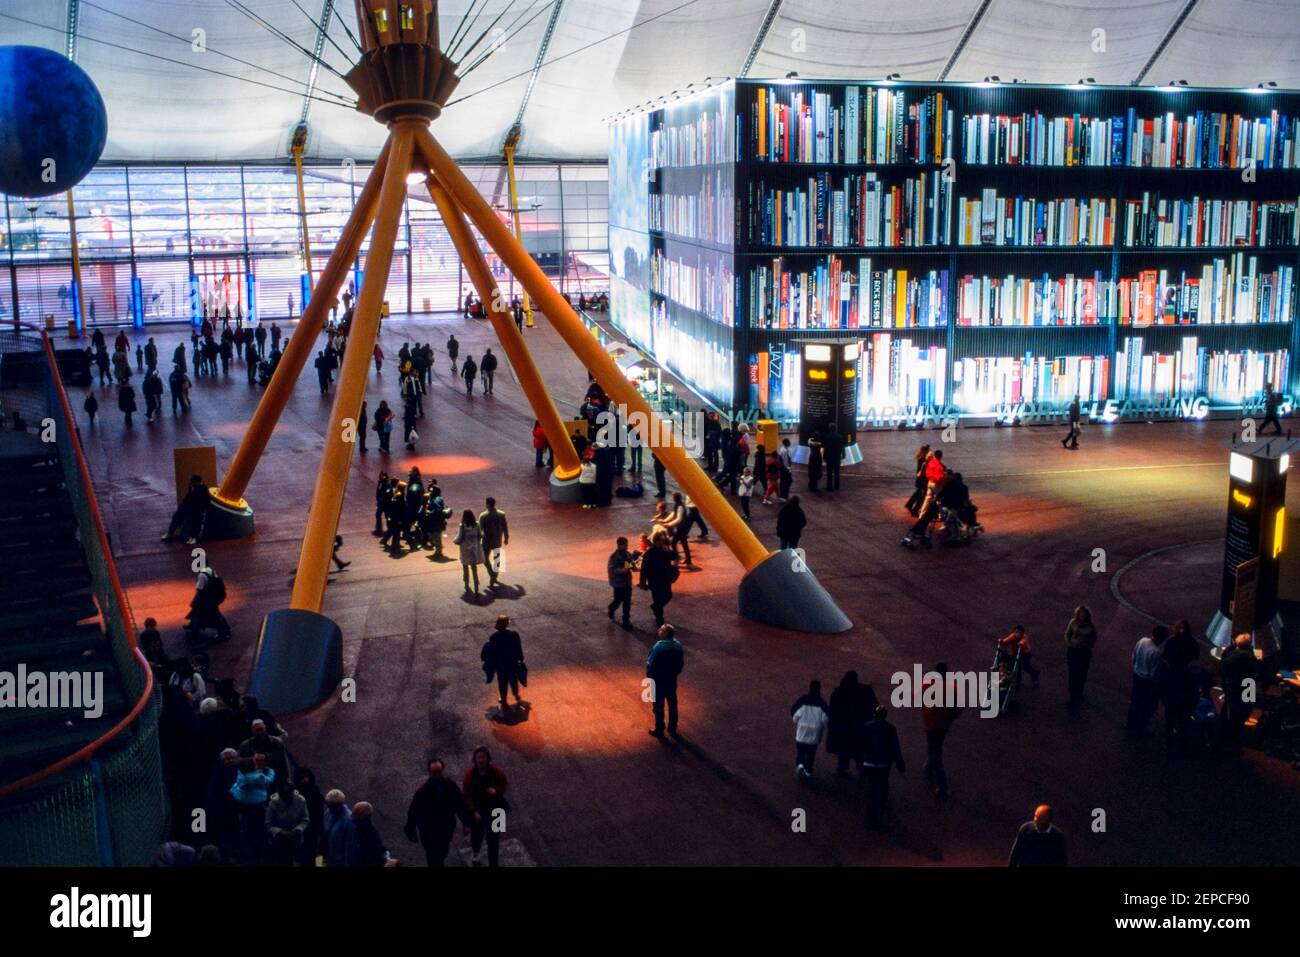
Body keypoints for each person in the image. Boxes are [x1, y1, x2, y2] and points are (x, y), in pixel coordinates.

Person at [404, 758, 471, 867]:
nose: (437, 775)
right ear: (429, 772)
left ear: (442, 770)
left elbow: (460, 805)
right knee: (433, 857)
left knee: (441, 854)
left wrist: (466, 822)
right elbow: (413, 811)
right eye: (434, 772)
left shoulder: (450, 787)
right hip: (428, 830)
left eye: (439, 772)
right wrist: (410, 829)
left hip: (445, 829)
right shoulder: (422, 792)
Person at [463, 747, 509, 867]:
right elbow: (467, 794)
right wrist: (473, 811)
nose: (481, 760)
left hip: (496, 808)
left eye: (483, 757)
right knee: (477, 835)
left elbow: (503, 784)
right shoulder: (470, 774)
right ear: (475, 759)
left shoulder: (496, 771)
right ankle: (476, 852)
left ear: (488, 758)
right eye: (479, 757)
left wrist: (496, 790)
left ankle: (493, 864)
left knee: (494, 839)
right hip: (479, 809)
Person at [860, 705, 905, 829]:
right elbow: (895, 748)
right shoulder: (890, 728)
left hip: (869, 762)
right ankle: (880, 812)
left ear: (875, 715)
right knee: (883, 786)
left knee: (870, 788)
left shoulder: (867, 726)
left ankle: (869, 817)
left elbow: (862, 744)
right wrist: (900, 764)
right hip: (883, 764)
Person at [921, 663, 960, 799]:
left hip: (930, 723)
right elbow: (958, 708)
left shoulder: (927, 685)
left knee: (935, 752)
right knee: (936, 746)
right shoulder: (953, 687)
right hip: (944, 723)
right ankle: (928, 766)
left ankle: (942, 786)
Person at [827, 671, 876, 777]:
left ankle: (842, 769)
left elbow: (832, 711)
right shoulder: (865, 691)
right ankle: (862, 771)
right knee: (859, 751)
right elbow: (875, 706)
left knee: (843, 750)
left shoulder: (839, 692)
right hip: (860, 728)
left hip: (843, 729)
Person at [1161, 618, 1199, 749]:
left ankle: (1171, 734)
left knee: (1172, 709)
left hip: (1174, 678)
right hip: (1180, 678)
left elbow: (1165, 657)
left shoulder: (1172, 642)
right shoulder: (1189, 642)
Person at [1126, 625, 1169, 736]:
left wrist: (1136, 666)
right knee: (1145, 706)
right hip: (1146, 681)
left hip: (1137, 675)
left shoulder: (1143, 640)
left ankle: (1130, 724)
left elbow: (1134, 654)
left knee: (1135, 701)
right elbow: (1154, 674)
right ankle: (1140, 728)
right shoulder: (1156, 653)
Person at [646, 624, 684, 740]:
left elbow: (650, 663)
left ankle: (659, 729)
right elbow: (680, 663)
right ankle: (672, 728)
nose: (658, 631)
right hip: (671, 679)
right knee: (672, 704)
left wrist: (649, 676)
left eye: (661, 630)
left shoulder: (658, 647)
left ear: (666, 633)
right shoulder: (678, 645)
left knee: (658, 705)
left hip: (658, 680)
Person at [1220, 633, 1257, 750]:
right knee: (1244, 713)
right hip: (1248, 687)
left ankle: (1228, 739)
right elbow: (1256, 671)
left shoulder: (1230, 655)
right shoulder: (1250, 657)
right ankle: (1238, 740)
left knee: (1232, 712)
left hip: (1233, 687)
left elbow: (1223, 668)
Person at [482, 615, 525, 713]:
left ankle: (504, 700)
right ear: (507, 624)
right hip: (512, 662)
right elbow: (518, 648)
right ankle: (516, 694)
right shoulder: (514, 634)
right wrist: (521, 659)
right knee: (513, 680)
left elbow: (492, 652)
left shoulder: (494, 637)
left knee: (502, 682)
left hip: (500, 664)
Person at [264, 779, 310, 867]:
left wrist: (298, 829)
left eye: (290, 795)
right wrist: (280, 832)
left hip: (297, 839)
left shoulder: (301, 800)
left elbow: (305, 819)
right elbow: (268, 824)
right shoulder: (273, 804)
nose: (288, 798)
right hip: (280, 841)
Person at [639, 531, 678, 627]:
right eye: (661, 541)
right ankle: (659, 619)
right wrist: (642, 582)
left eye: (663, 541)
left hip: (664, 578)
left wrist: (668, 550)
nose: (662, 543)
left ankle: (656, 607)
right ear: (656, 541)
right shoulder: (650, 553)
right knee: (658, 599)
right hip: (654, 580)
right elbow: (644, 569)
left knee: (668, 596)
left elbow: (674, 556)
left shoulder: (664, 550)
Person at [791, 680, 829, 779]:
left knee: (801, 751)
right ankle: (808, 771)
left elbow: (795, 716)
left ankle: (800, 765)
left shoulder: (802, 700)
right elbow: (826, 719)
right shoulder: (822, 703)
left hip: (802, 732)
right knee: (811, 754)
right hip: (815, 733)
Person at [1063, 605, 1098, 710]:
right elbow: (1067, 634)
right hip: (1073, 651)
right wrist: (1070, 644)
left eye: (1084, 614)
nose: (1082, 615)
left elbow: (1094, 638)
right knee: (1073, 673)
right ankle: (1073, 695)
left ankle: (1079, 693)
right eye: (1080, 613)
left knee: (1082, 674)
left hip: (1084, 653)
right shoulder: (1073, 622)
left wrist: (1087, 646)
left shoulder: (1091, 626)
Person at [184, 564, 230, 640]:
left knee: (208, 614)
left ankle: (223, 632)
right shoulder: (210, 570)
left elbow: (200, 589)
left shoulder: (202, 575)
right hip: (214, 597)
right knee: (211, 613)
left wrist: (196, 600)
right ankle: (192, 627)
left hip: (207, 599)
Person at [343, 801, 393, 867]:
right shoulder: (358, 828)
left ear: (361, 818)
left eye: (354, 814)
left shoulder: (371, 837)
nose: (351, 816)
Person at [163, 475, 210, 544]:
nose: (190, 482)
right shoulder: (192, 487)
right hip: (188, 507)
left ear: (196, 482)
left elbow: (203, 500)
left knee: (196, 522)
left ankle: (193, 537)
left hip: (196, 509)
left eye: (192, 481)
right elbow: (189, 496)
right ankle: (170, 533)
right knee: (176, 518)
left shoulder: (203, 489)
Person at [606, 536, 638, 628]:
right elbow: (612, 570)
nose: (626, 546)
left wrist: (634, 559)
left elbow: (630, 565)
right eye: (624, 545)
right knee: (618, 600)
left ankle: (626, 620)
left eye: (626, 544)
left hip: (627, 582)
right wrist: (623, 570)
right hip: (618, 583)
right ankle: (611, 608)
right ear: (619, 545)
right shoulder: (614, 557)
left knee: (627, 601)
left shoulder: (627, 554)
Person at [454, 509, 486, 593]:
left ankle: (466, 583)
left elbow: (459, 538)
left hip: (465, 549)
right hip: (474, 549)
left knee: (465, 566)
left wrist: (455, 541)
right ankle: (476, 585)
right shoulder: (477, 524)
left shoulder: (462, 526)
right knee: (474, 568)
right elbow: (481, 535)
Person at [479, 497, 509, 587]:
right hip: (497, 539)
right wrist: (506, 537)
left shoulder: (483, 515)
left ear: (487, 504)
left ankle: (492, 574)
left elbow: (480, 530)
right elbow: (505, 527)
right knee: (497, 559)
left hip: (486, 540)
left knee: (485, 559)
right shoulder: (501, 514)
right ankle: (494, 575)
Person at [320, 790, 352, 867]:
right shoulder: (329, 812)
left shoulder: (348, 820)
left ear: (339, 805)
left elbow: (349, 847)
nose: (329, 808)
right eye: (328, 805)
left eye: (332, 806)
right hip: (325, 855)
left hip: (338, 862)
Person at [666, 492, 695, 566]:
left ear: (675, 498)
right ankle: (688, 560)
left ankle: (676, 557)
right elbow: (673, 514)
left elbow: (679, 519)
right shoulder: (678, 505)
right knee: (684, 543)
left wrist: (669, 524)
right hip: (682, 528)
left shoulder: (680, 507)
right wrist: (666, 520)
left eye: (673, 497)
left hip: (681, 528)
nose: (672, 498)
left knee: (673, 542)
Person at [823, 423, 844, 491]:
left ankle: (829, 486)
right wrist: (842, 454)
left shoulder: (827, 437)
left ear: (830, 428)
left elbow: (826, 448)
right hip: (837, 457)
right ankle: (836, 486)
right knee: (837, 472)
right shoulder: (840, 436)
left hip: (829, 457)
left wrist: (824, 456)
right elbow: (842, 447)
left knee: (829, 473)